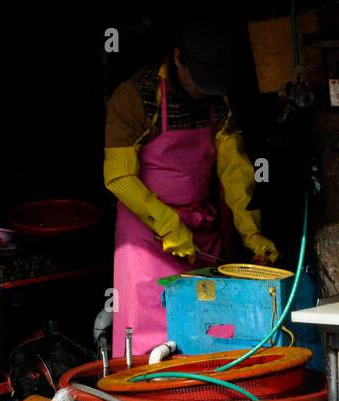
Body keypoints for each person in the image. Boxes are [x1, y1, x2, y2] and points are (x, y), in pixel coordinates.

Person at [103, 19, 279, 358]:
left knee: (206, 336)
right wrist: (169, 226)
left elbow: (234, 170)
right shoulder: (134, 96)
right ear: (179, 58)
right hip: (147, 238)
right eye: (198, 80)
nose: (202, 91)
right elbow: (118, 177)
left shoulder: (218, 99)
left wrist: (251, 233)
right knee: (150, 346)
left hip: (201, 232)